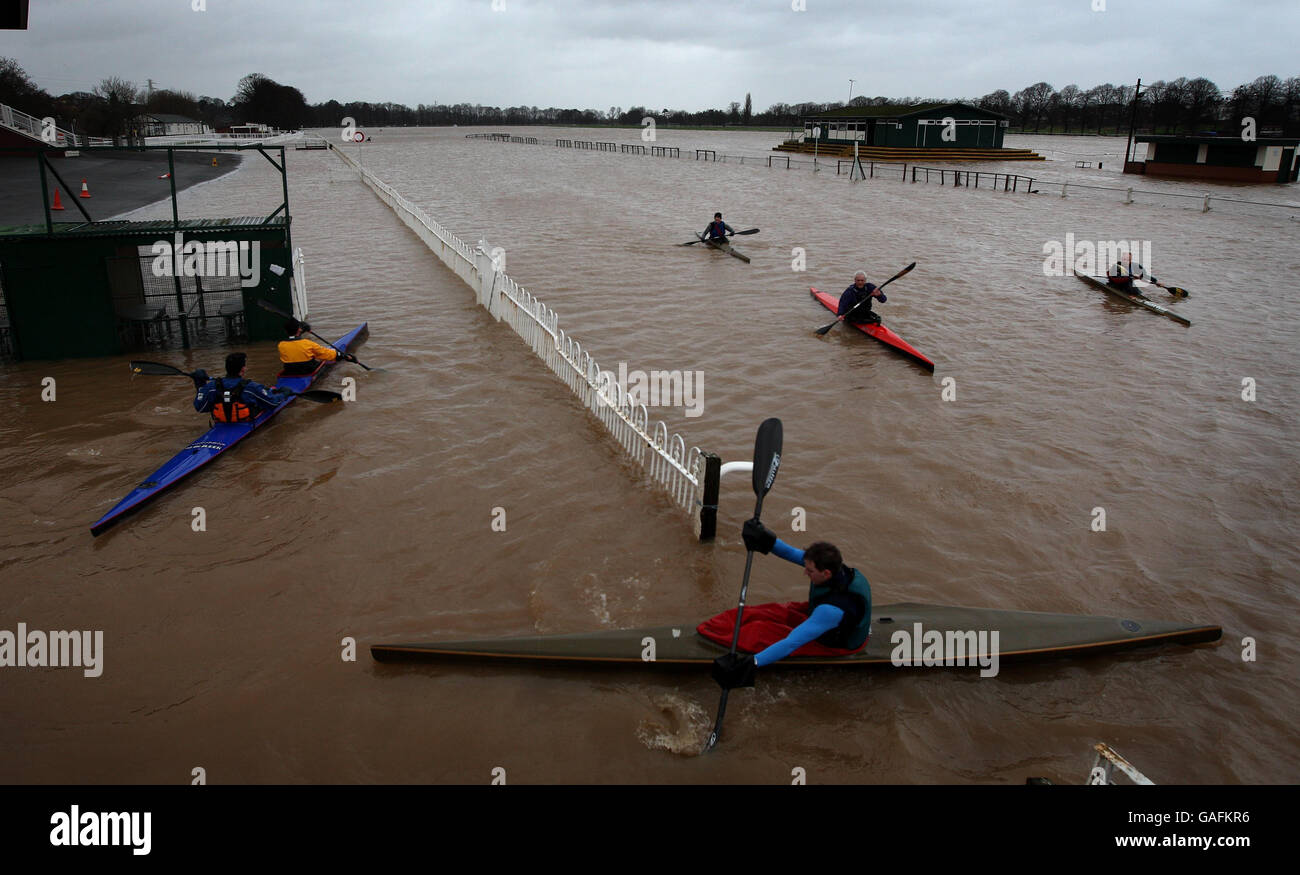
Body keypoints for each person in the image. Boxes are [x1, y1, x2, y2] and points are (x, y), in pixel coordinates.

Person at [710, 519, 872, 689]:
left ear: (826, 573)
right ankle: (714, 628)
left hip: (835, 644)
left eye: (809, 571)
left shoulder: (831, 610)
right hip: (828, 621)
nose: (805, 572)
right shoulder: (835, 568)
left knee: (757, 634)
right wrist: (765, 538)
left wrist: (752, 663)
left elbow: (790, 643)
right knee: (761, 613)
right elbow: (789, 552)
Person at [192, 352, 287, 423]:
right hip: (245, 421)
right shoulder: (251, 387)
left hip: (222, 422)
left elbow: (199, 407)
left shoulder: (211, 386)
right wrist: (283, 394)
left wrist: (200, 385)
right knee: (260, 402)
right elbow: (273, 403)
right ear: (243, 369)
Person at [278, 319, 356, 375]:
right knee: (322, 358)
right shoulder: (308, 344)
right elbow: (326, 354)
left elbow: (294, 343)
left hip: (289, 370)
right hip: (306, 370)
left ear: (286, 331)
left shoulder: (281, 345)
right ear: (299, 329)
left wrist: (302, 330)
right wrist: (342, 356)